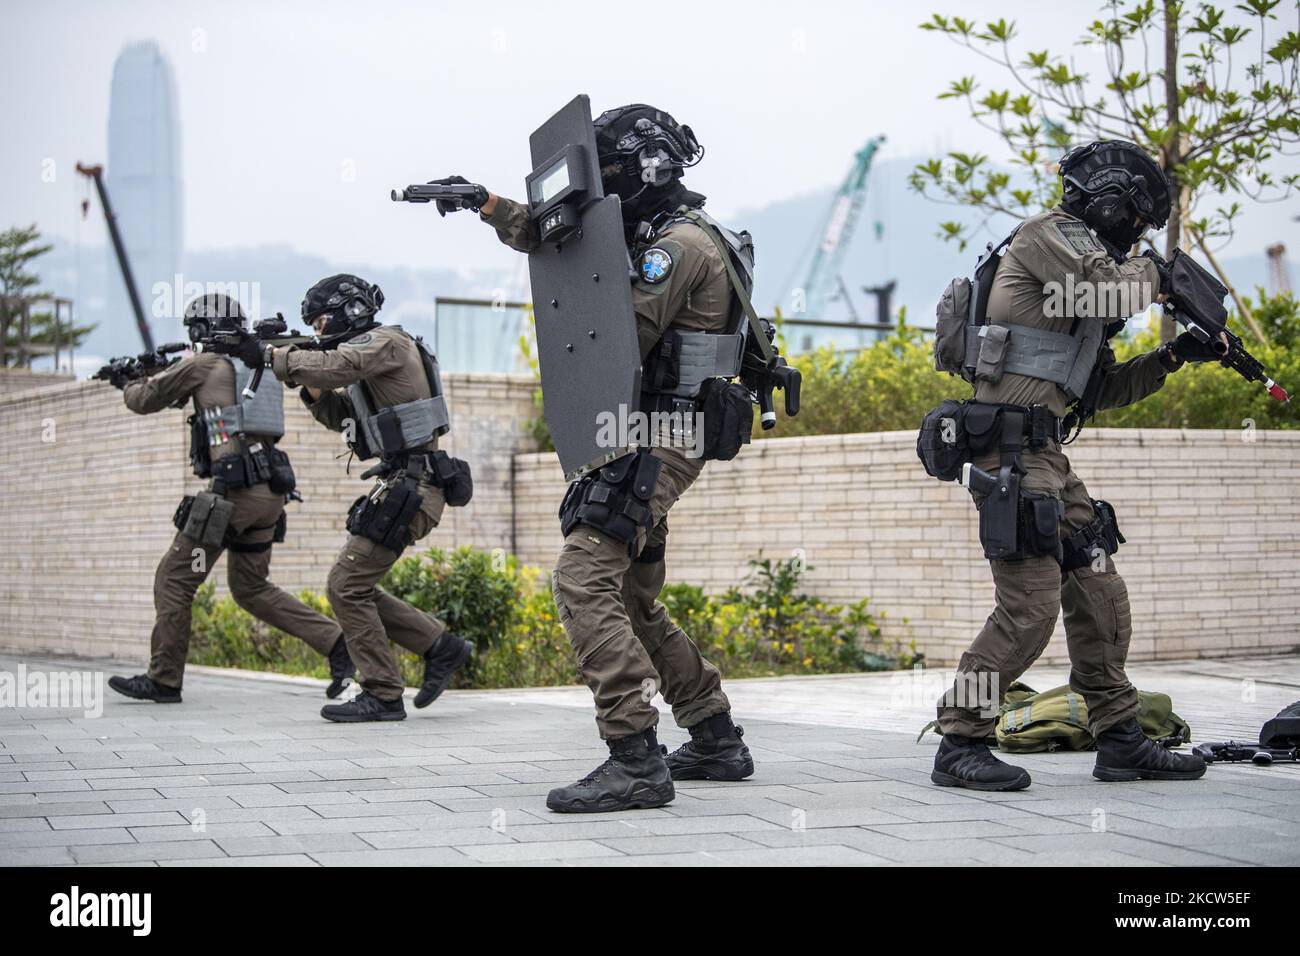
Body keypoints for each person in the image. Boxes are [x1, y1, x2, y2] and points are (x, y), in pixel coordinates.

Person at [431, 103, 758, 812]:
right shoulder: (670, 233)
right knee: (634, 597)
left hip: (660, 438)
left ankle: (635, 757)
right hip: (651, 431)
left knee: (582, 581)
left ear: (648, 167)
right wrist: (490, 206)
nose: (604, 188)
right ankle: (714, 735)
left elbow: (609, 323)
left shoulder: (677, 248)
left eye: (611, 172)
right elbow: (570, 245)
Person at [929, 141, 1212, 790]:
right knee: (1028, 609)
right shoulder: (1049, 238)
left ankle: (1120, 738)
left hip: (1050, 455)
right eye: (1138, 220)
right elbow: (1111, 292)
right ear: (1113, 203)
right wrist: (1161, 276)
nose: (1139, 235)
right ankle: (960, 738)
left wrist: (1173, 358)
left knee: (1100, 589)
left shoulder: (1088, 281)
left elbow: (1100, 390)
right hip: (1008, 454)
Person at [106, 293, 354, 704]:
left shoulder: (203, 364)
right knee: (250, 587)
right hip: (270, 492)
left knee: (174, 578)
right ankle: (337, 643)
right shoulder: (261, 364)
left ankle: (164, 679)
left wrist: (129, 380)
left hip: (232, 495)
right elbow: (217, 405)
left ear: (203, 331)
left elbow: (145, 400)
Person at [250, 274, 472, 723]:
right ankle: (440, 646)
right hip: (404, 484)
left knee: (345, 585)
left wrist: (278, 358)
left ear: (350, 310)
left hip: (416, 485)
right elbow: (344, 418)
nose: (317, 332)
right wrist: (310, 384)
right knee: (356, 585)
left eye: (320, 322)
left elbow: (339, 365)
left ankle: (384, 692)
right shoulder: (366, 358)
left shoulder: (386, 343)